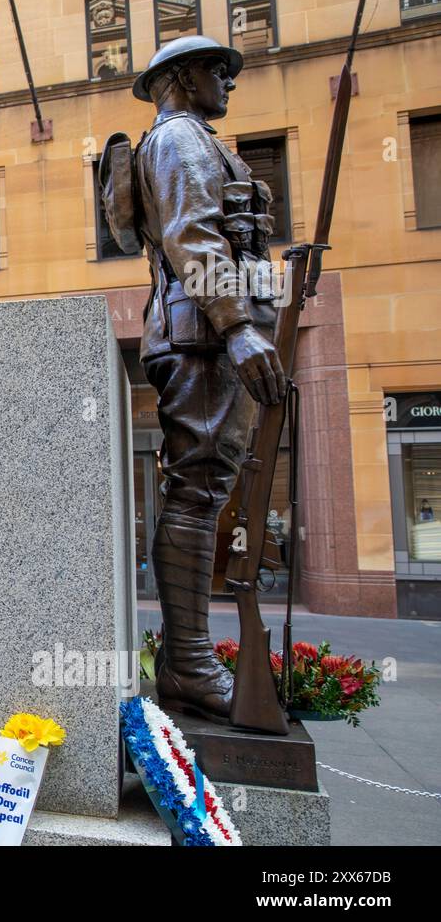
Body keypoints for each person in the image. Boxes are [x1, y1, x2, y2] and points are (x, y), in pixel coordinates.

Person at [132, 37, 285, 724]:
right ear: (181, 78)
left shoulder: (200, 138)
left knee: (206, 487)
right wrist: (237, 325)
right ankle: (188, 665)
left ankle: (190, 659)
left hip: (209, 331)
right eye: (216, 71)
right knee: (196, 489)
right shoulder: (181, 139)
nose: (226, 82)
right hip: (199, 335)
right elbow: (193, 235)